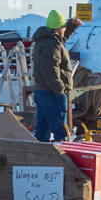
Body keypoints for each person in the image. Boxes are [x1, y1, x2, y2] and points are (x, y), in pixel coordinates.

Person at [30, 9, 81, 141]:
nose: (65, 29)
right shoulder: (51, 46)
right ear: (58, 28)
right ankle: (61, 159)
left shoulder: (46, 41)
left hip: (43, 92)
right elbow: (50, 69)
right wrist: (59, 89)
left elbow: (60, 41)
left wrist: (71, 25)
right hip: (52, 94)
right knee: (61, 132)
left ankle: (41, 158)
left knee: (42, 133)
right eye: (64, 26)